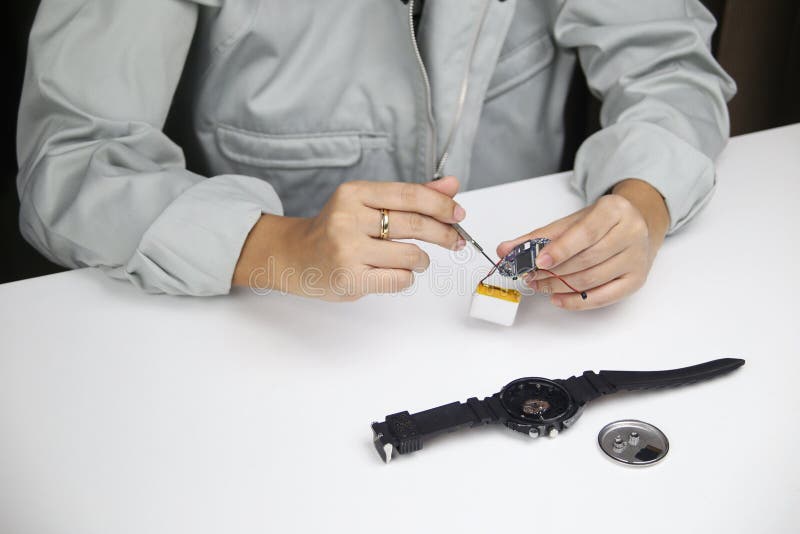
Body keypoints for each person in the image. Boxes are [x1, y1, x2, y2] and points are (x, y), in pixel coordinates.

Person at [17, 0, 735, 310]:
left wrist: (644, 201)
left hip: (518, 313)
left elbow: (668, 63)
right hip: (269, 320)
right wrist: (273, 245)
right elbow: (75, 154)